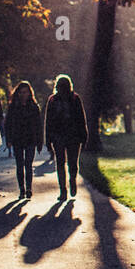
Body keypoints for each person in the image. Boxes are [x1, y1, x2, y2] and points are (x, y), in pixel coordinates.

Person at [42, 73, 88, 201]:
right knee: (63, 163)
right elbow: (49, 121)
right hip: (60, 136)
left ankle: (71, 182)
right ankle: (64, 189)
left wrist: (84, 136)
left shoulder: (75, 99)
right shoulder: (53, 100)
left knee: (69, 163)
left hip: (72, 136)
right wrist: (48, 139)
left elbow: (81, 118)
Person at [4, 80, 42, 199]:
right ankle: (22, 189)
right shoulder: (13, 107)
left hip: (31, 139)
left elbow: (38, 125)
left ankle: (29, 188)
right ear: (18, 93)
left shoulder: (34, 107)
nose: (23, 95)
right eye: (21, 92)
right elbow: (8, 124)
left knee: (28, 164)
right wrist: (9, 140)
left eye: (26, 92)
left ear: (30, 93)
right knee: (19, 164)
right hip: (17, 139)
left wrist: (40, 141)